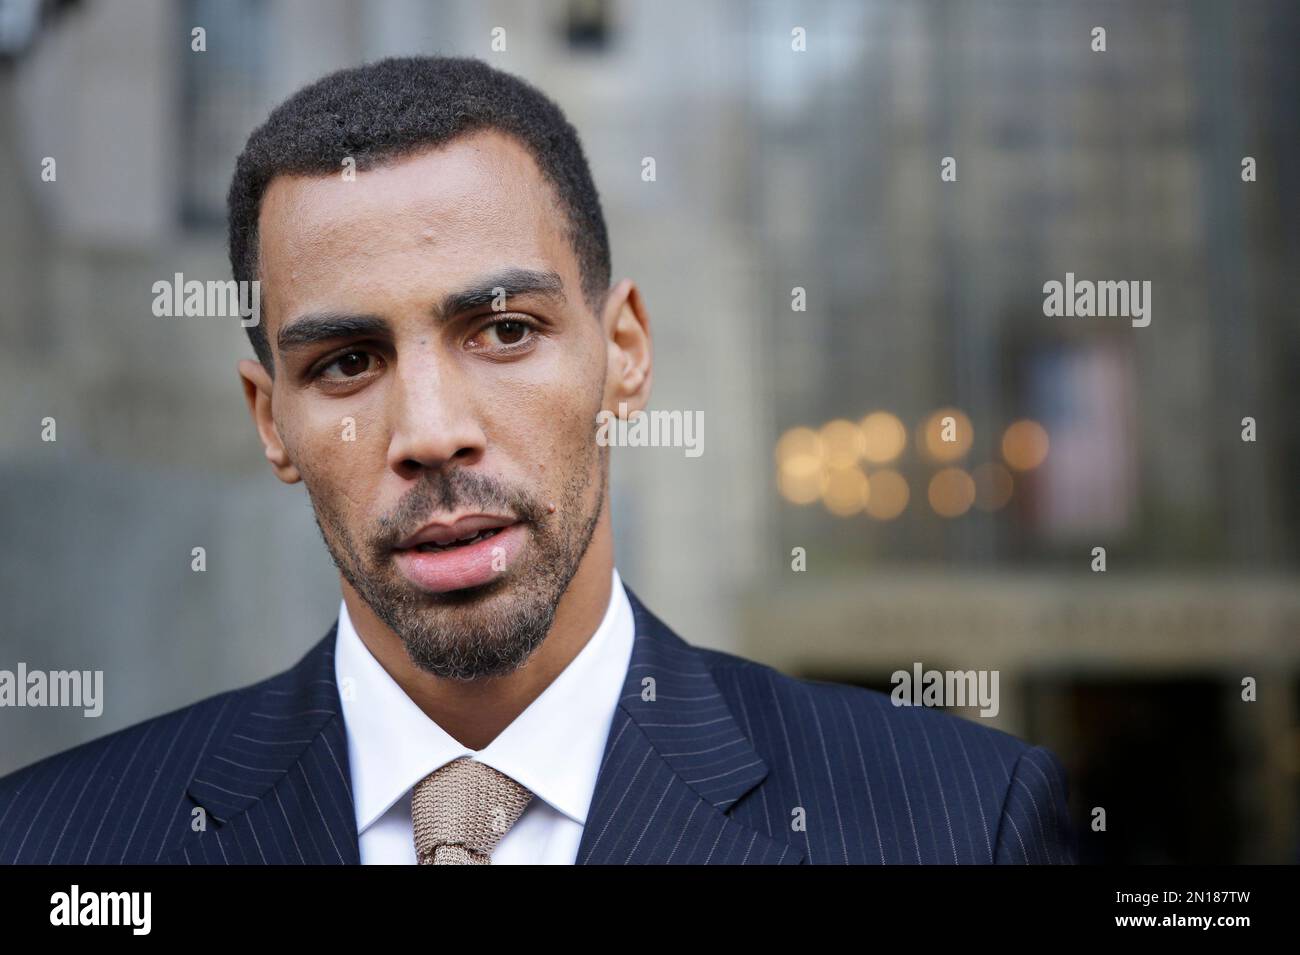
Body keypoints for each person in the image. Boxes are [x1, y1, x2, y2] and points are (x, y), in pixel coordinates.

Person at [0, 56, 1076, 865]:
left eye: (503, 330)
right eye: (345, 362)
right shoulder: (57, 846)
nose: (429, 432)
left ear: (624, 353)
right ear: (270, 421)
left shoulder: (954, 823)